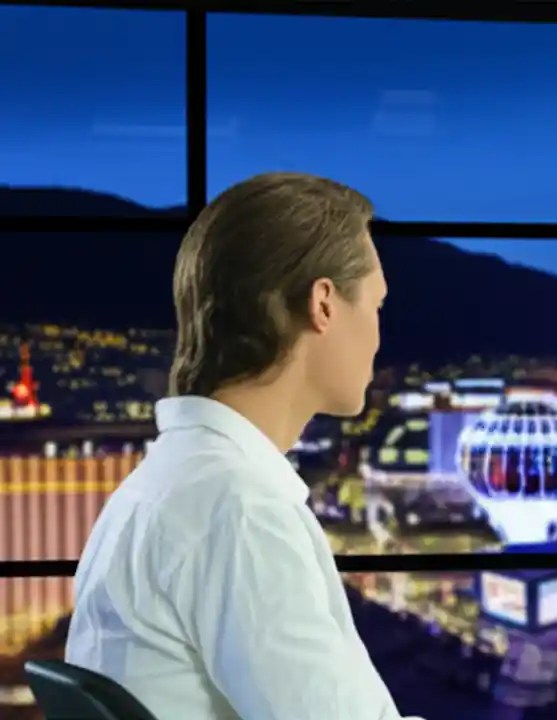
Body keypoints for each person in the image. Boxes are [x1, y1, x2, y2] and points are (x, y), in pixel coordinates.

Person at [64, 172, 422, 720]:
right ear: (323, 303)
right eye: (376, 306)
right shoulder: (239, 510)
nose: (379, 335)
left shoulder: (163, 485)